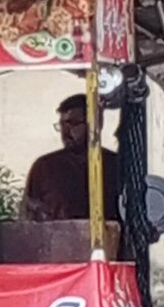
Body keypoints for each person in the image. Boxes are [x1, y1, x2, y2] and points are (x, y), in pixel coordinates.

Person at [21, 93, 119, 222]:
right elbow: (29, 214)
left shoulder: (115, 165)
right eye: (62, 125)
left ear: (96, 124)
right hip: (58, 240)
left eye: (73, 123)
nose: (65, 131)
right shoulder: (45, 167)